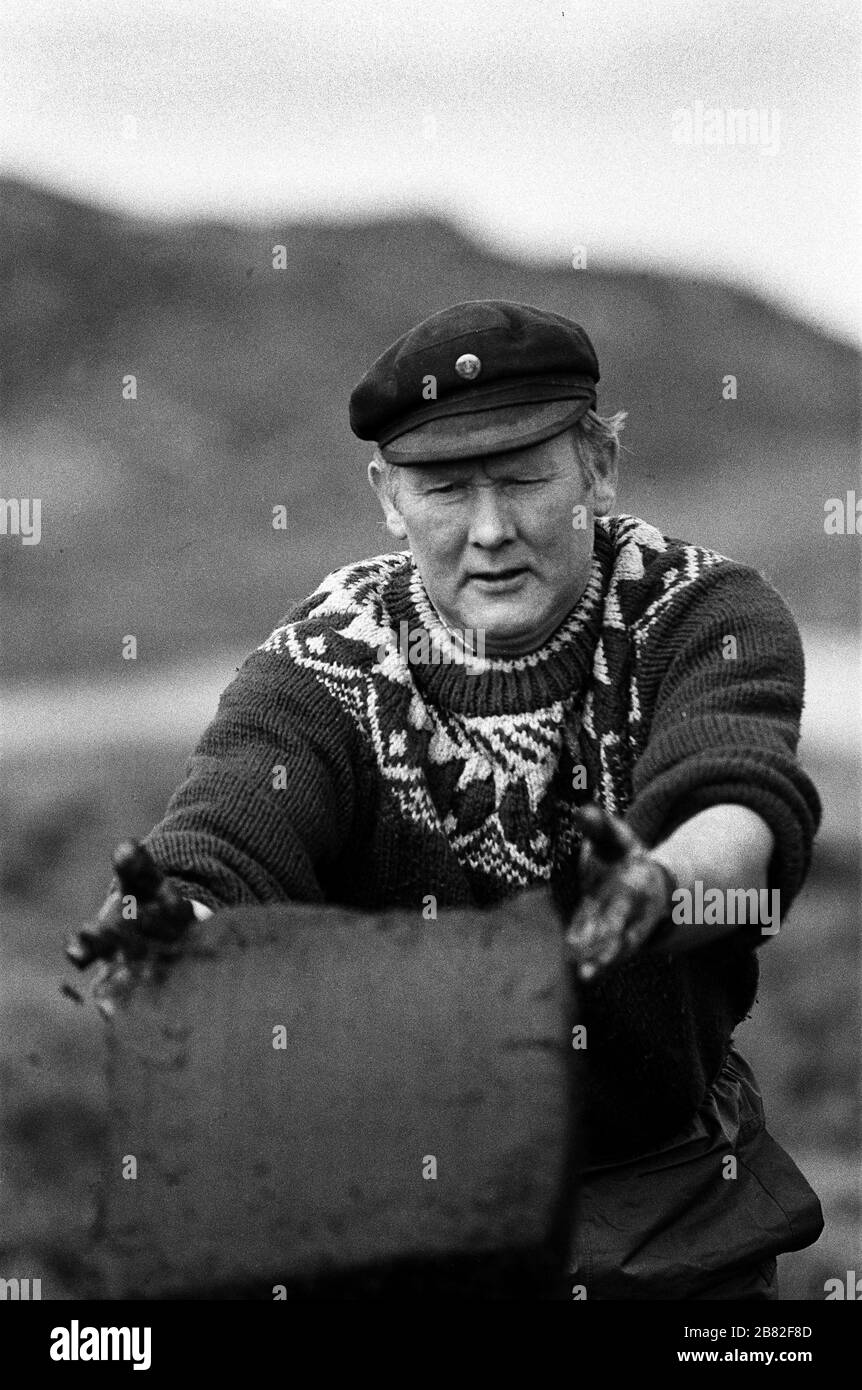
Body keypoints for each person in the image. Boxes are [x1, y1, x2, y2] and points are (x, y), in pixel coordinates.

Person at [85, 299, 824, 1299]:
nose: (490, 531)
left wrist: (659, 887)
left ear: (598, 467)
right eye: (443, 490)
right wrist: (175, 930)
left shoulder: (703, 612)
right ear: (387, 495)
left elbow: (736, 797)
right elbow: (225, 835)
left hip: (668, 1206)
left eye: (524, 479)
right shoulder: (323, 658)